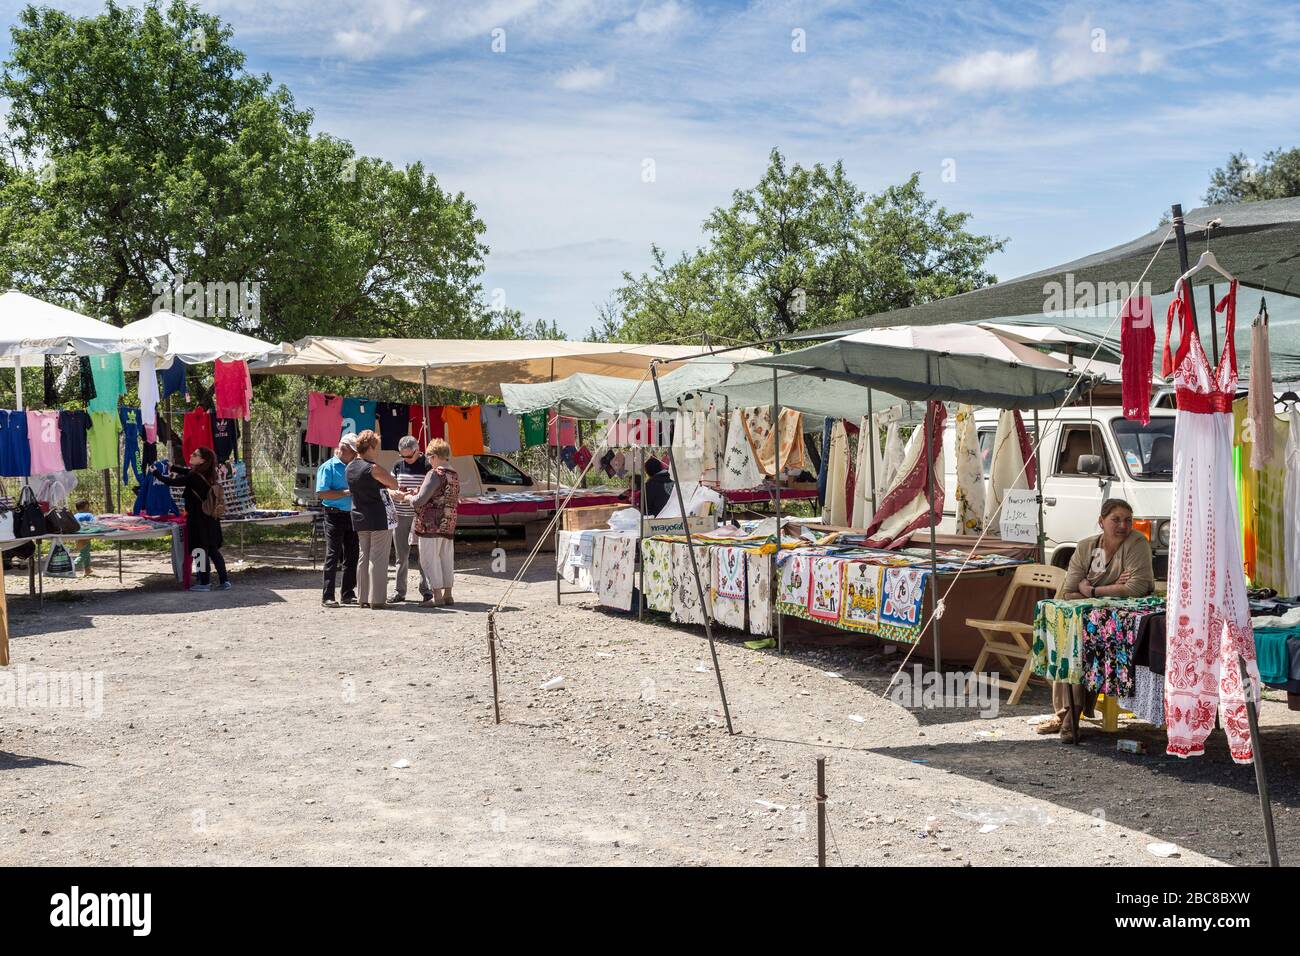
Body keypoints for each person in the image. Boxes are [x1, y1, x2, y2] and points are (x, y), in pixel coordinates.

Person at [1040, 497, 1156, 741]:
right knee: (1069, 640)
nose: (1123, 525)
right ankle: (1067, 712)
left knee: (1086, 640)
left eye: (1127, 520)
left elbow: (1135, 588)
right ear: (1101, 521)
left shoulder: (1136, 543)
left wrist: (1092, 590)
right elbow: (1070, 590)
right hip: (1088, 615)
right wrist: (1114, 587)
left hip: (1123, 620)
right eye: (1115, 520)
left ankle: (1071, 714)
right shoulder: (1088, 548)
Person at [153, 446, 229, 591]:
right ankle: (224, 581)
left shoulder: (194, 477)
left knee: (199, 550)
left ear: (202, 460)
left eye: (195, 454)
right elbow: (187, 472)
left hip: (198, 519)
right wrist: (172, 467)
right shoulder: (210, 474)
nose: (191, 455)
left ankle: (204, 583)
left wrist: (155, 473)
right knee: (213, 550)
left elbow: (174, 482)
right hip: (212, 518)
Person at [346, 429, 401, 609]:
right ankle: (377, 599)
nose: (377, 450)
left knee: (364, 556)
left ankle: (363, 597)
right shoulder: (373, 468)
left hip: (359, 516)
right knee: (378, 558)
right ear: (369, 447)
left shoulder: (350, 467)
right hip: (378, 517)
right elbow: (394, 483)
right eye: (376, 446)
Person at [411, 437, 459, 606]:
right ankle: (448, 594)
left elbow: (419, 500)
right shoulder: (454, 474)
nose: (429, 461)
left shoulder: (435, 474)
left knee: (429, 558)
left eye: (429, 457)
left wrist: (407, 497)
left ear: (434, 456)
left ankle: (437, 596)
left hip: (431, 523)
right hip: (449, 521)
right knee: (446, 557)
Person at [388, 435, 432, 603]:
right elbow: (389, 487)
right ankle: (399, 591)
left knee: (424, 555)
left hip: (421, 515)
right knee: (401, 555)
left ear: (417, 450)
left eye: (409, 455)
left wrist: (418, 494)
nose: (406, 459)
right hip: (400, 515)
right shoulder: (398, 466)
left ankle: (426, 590)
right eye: (403, 456)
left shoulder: (427, 465)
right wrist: (395, 493)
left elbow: (432, 489)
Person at [317, 434, 359, 608]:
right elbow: (322, 493)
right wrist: (345, 492)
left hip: (352, 515)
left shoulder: (354, 466)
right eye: (353, 452)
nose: (356, 456)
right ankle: (328, 595)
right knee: (333, 555)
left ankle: (348, 593)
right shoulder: (327, 468)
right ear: (343, 449)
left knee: (352, 555)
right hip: (334, 515)